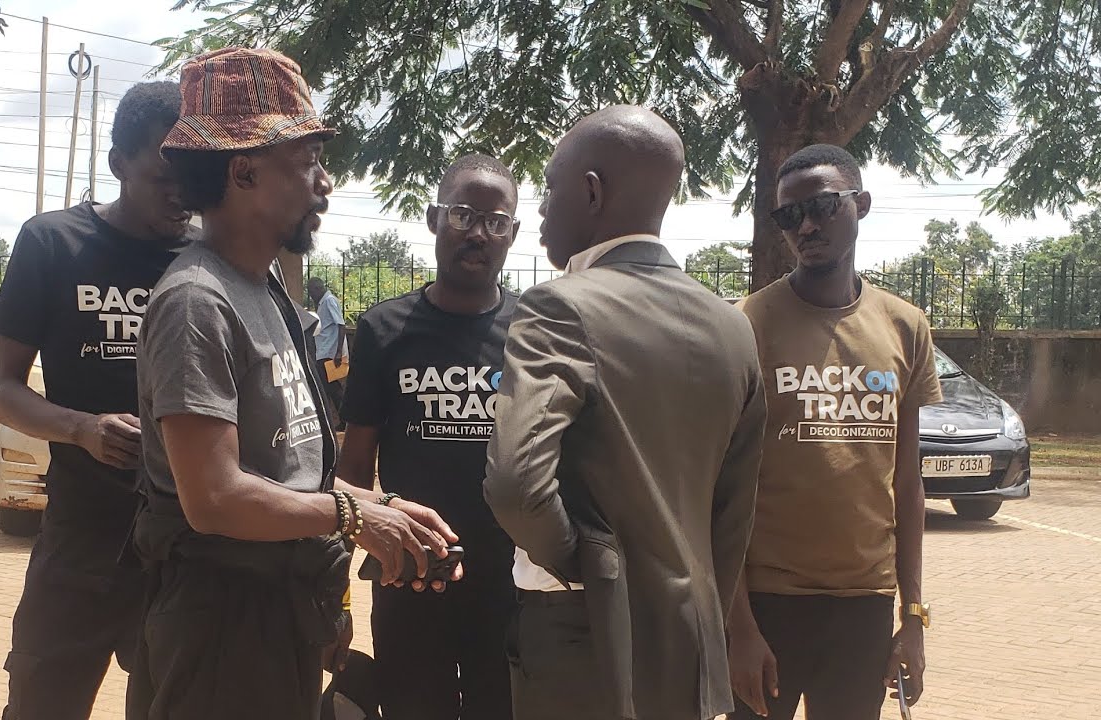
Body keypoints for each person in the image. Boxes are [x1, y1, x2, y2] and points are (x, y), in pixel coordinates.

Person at [126, 47, 458, 720]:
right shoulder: (197, 301)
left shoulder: (265, 288)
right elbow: (215, 498)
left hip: (281, 614)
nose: (324, 182)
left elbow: (283, 470)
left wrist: (380, 503)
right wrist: (355, 516)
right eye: (306, 161)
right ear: (243, 171)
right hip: (221, 629)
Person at [483, 105, 767, 720]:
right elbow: (733, 509)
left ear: (591, 191)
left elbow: (514, 484)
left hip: (579, 633)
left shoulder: (558, 306)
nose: (540, 209)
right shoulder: (733, 327)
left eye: (550, 187)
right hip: (688, 627)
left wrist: (584, 565)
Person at [0, 81, 192, 720]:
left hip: (179, 551)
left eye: (192, 174)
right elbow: (2, 390)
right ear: (118, 164)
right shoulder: (53, 244)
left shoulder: (209, 263)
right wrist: (79, 428)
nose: (180, 193)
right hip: (79, 540)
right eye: (162, 175)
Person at [728, 144, 943, 720]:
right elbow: (715, 486)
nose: (806, 225)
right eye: (788, 215)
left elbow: (908, 480)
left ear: (861, 204)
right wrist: (737, 626)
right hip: (768, 604)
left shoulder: (904, 326)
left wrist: (913, 618)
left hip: (864, 605)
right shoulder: (746, 324)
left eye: (822, 205)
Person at [340, 153, 521, 720]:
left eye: (496, 222)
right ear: (432, 218)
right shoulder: (382, 328)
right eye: (464, 215)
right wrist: (337, 585)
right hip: (410, 573)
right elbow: (353, 465)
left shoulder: (532, 331)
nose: (479, 234)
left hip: (507, 582)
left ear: (512, 234)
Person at [308, 276, 348, 422]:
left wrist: (338, 352)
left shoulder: (329, 301)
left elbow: (341, 325)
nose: (311, 295)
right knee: (328, 387)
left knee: (331, 388)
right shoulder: (322, 303)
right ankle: (338, 420)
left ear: (318, 289)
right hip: (323, 350)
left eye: (312, 291)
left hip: (329, 353)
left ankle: (342, 419)